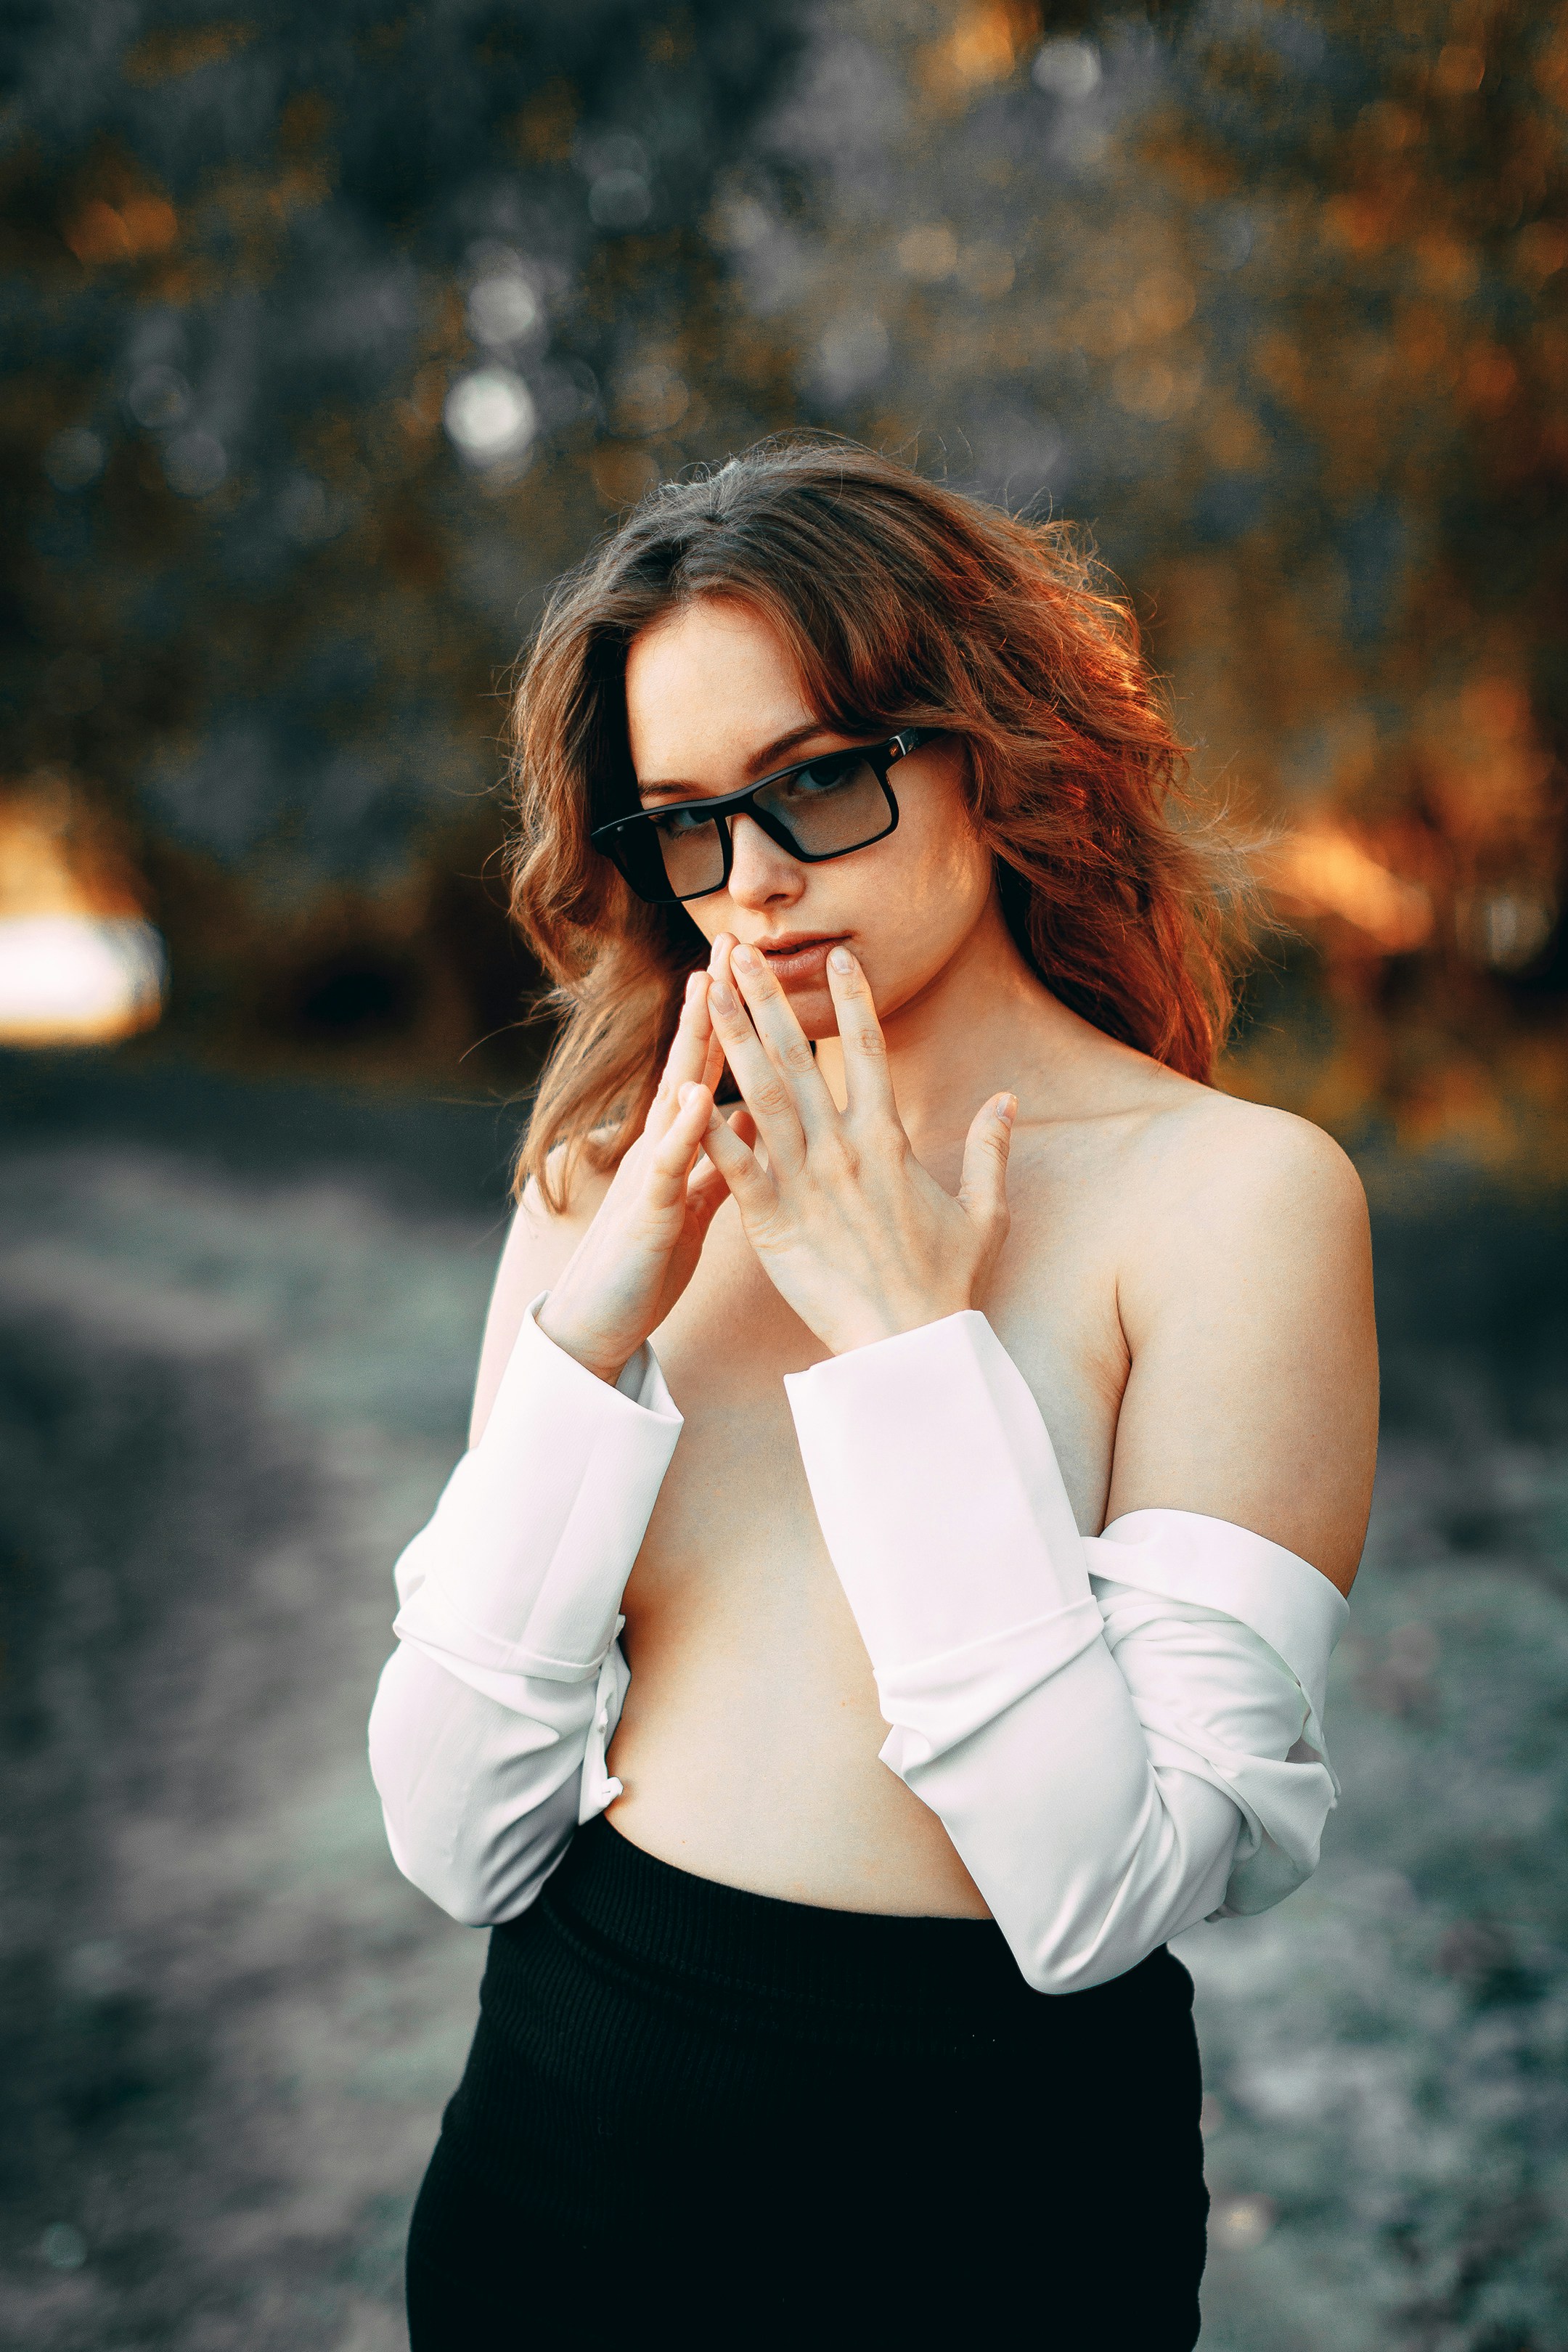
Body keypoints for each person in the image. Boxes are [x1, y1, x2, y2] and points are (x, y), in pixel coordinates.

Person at [368, 439, 1377, 2348]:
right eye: (687, 820)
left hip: (987, 2223)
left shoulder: (1239, 1203)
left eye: (814, 783)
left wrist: (911, 1351)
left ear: (988, 749)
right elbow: (449, 1837)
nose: (747, 884)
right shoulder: (606, 1177)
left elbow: (1097, 1895)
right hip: (552, 2172)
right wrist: (589, 1345)